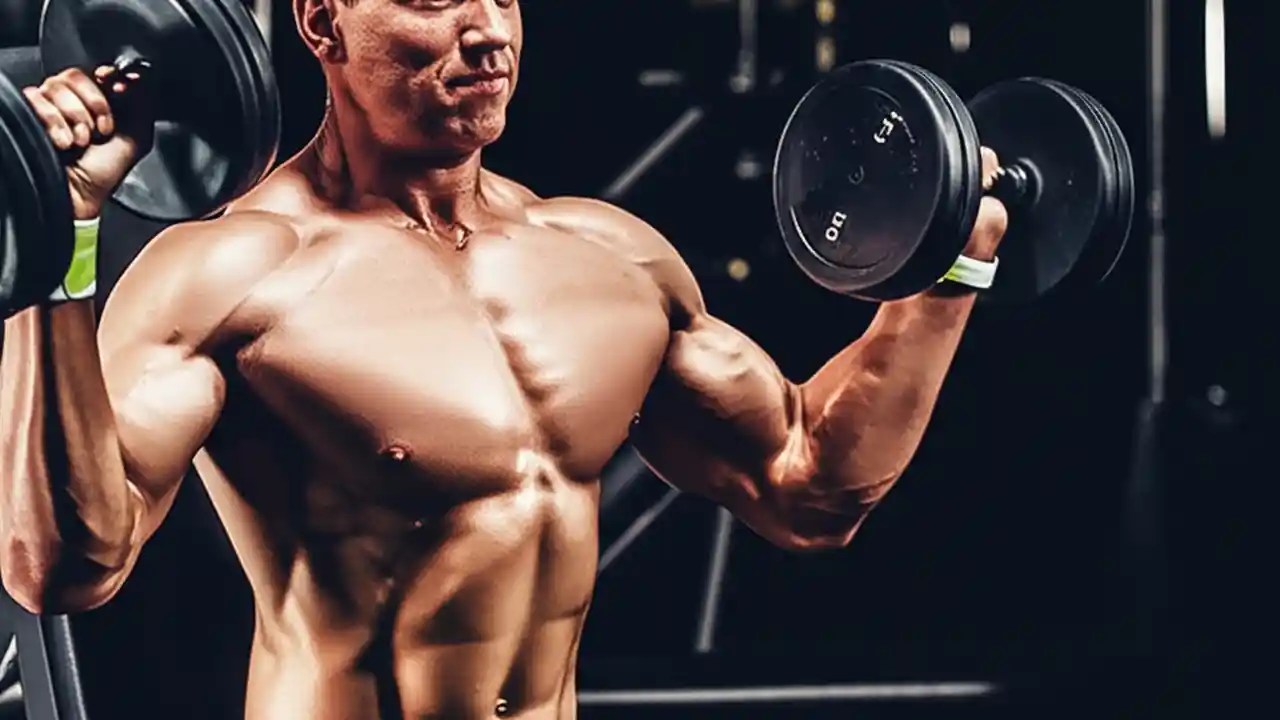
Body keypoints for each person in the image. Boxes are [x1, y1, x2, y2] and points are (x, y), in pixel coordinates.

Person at [0, 0, 1008, 718]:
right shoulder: (230, 270)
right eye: (436, 2)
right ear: (322, 23)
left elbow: (806, 487)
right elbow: (65, 565)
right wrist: (61, 237)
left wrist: (954, 266)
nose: (486, 31)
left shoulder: (607, 255)